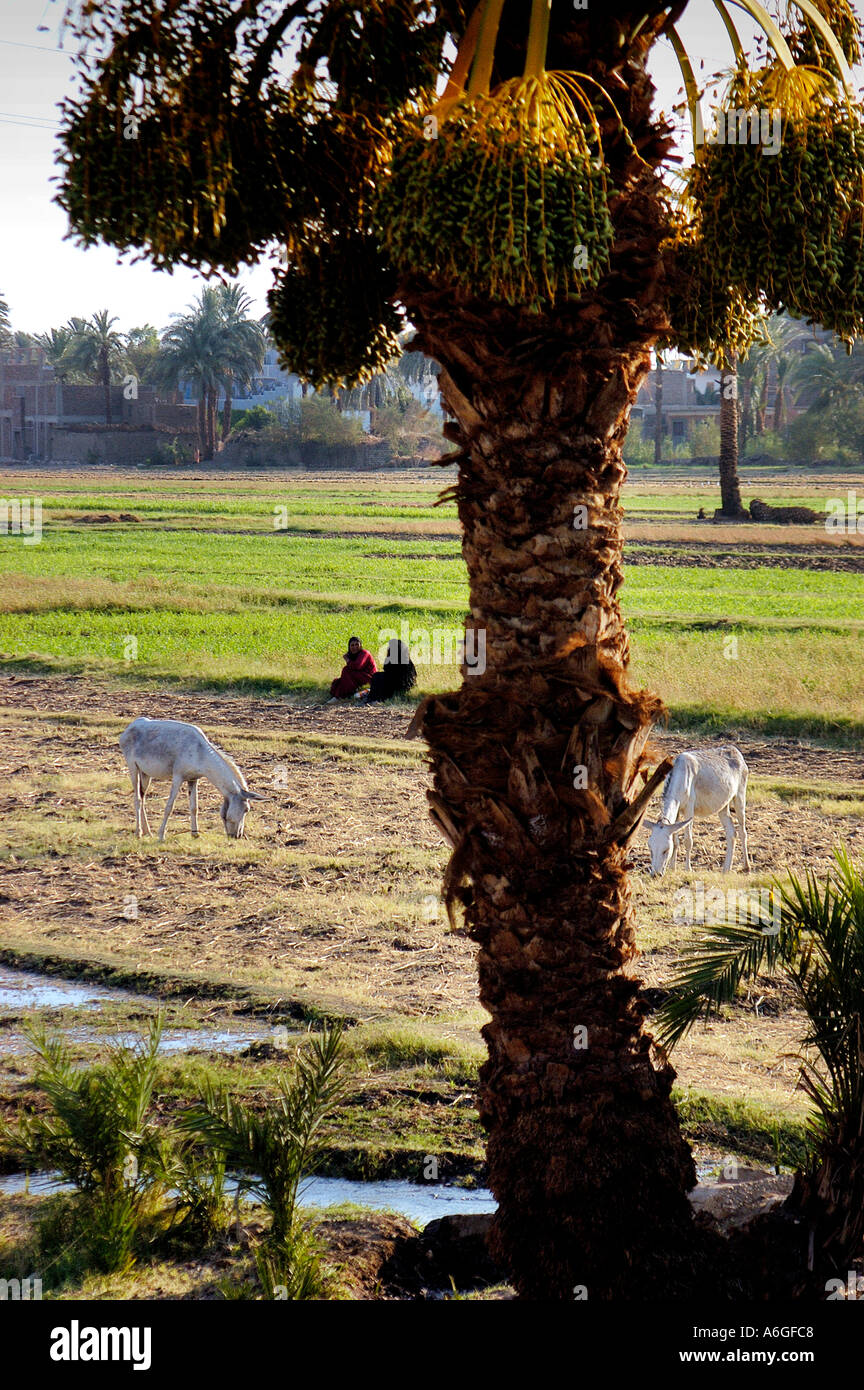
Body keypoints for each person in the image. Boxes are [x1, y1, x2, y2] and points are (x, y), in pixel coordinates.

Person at [363, 638, 417, 703]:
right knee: (379, 676)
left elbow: (388, 671)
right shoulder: (407, 660)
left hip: (398, 685)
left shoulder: (394, 659)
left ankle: (375, 698)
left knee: (376, 676)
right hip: (405, 685)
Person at [327, 636, 377, 701]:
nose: (355, 647)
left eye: (357, 644)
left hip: (370, 678)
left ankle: (341, 696)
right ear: (349, 647)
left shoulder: (365, 653)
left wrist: (347, 660)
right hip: (359, 677)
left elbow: (357, 666)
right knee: (338, 682)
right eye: (352, 645)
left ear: (360, 645)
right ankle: (342, 695)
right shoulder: (352, 655)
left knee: (346, 670)